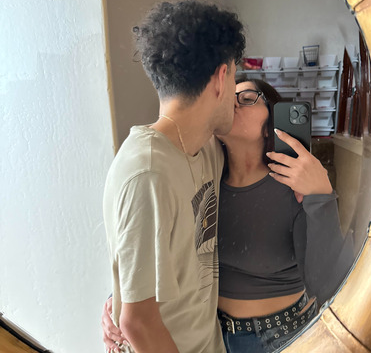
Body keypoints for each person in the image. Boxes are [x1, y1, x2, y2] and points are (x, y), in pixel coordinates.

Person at [103, 74, 354, 352]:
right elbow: (163, 240)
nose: (232, 104)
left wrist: (320, 194)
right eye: (228, 97)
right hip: (216, 338)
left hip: (281, 337)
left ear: (271, 126)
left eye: (247, 99)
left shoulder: (293, 187)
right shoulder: (206, 176)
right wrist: (121, 296)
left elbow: (328, 282)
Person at [102, 0, 245, 353]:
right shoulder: (147, 174)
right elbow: (137, 322)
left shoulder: (205, 147)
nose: (236, 97)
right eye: (235, 78)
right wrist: (121, 301)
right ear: (221, 78)